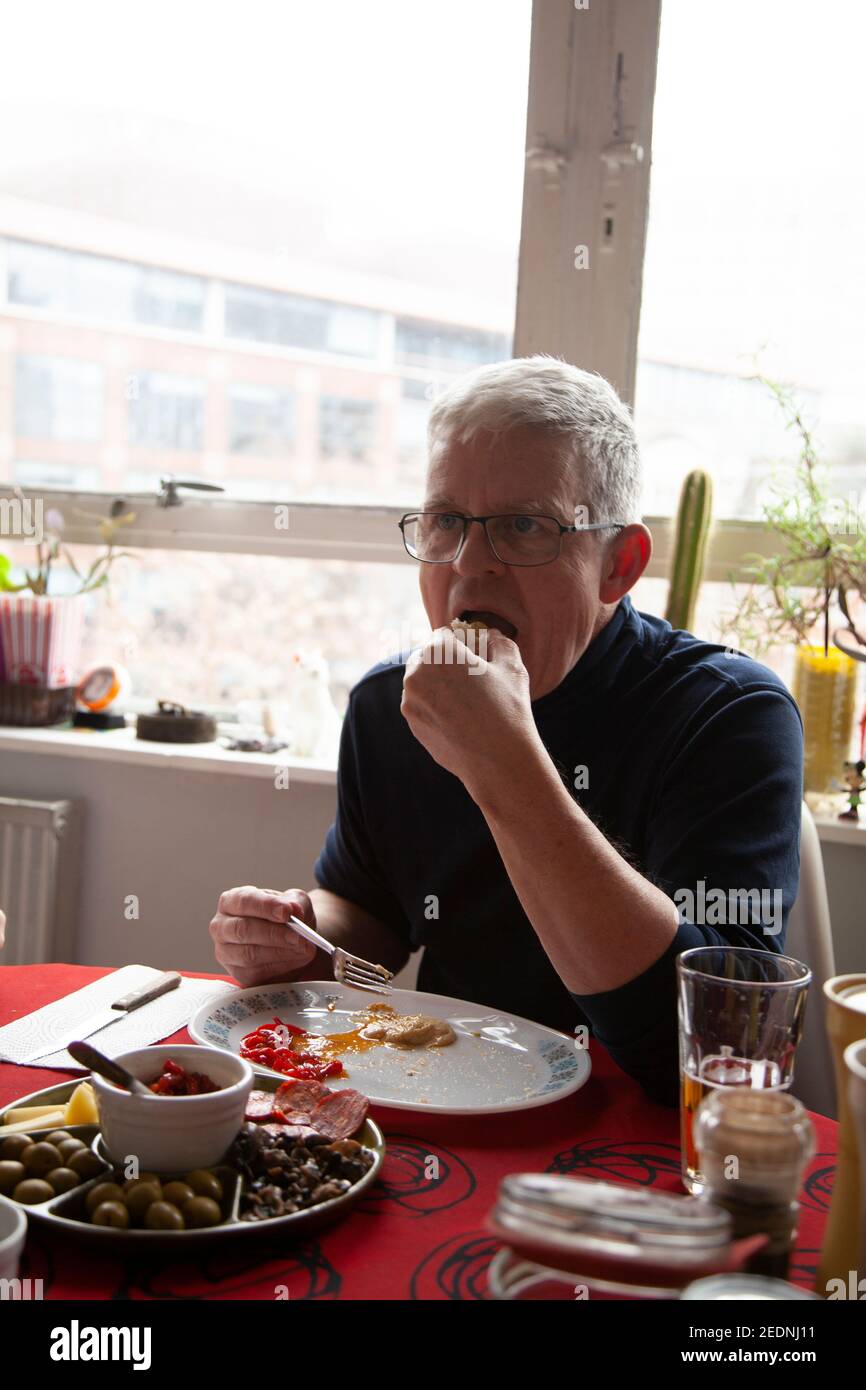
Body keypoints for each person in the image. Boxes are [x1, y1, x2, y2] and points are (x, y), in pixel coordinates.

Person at [210, 356, 804, 1105]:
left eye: (524, 527)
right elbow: (374, 918)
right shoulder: (388, 706)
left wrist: (502, 763)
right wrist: (302, 933)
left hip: (643, 1131)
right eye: (447, 522)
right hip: (449, 1095)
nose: (471, 564)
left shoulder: (729, 716)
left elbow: (722, 1040)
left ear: (617, 565)